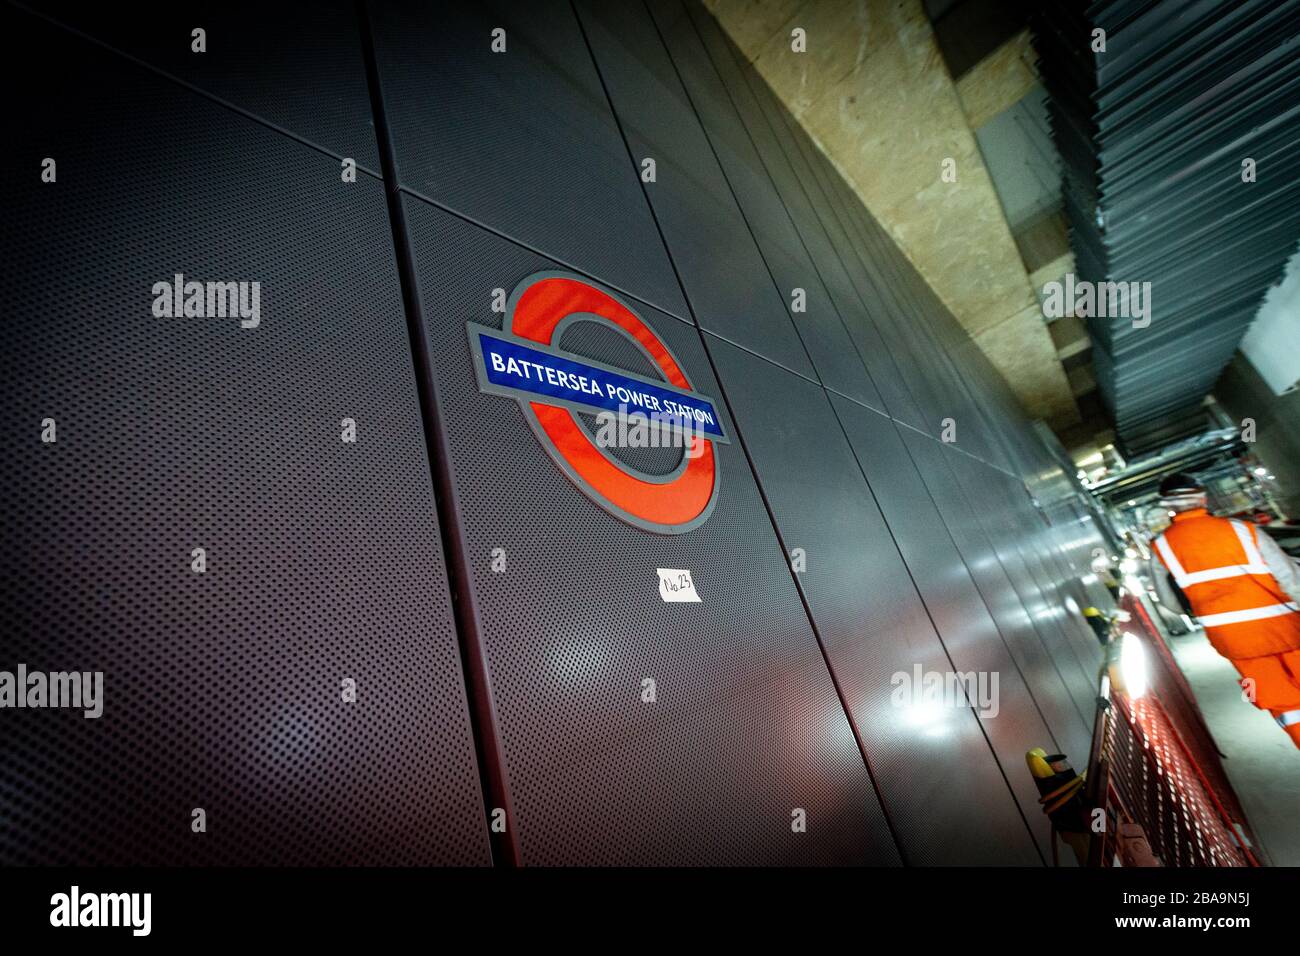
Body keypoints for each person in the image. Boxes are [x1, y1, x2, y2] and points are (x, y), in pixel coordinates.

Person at [1148, 473, 1300, 747]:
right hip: (1287, 629)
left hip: (1235, 641)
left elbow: (1169, 602)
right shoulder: (1243, 530)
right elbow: (1289, 579)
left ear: (1168, 506)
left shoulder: (1161, 547)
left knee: (1284, 703)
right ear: (1203, 498)